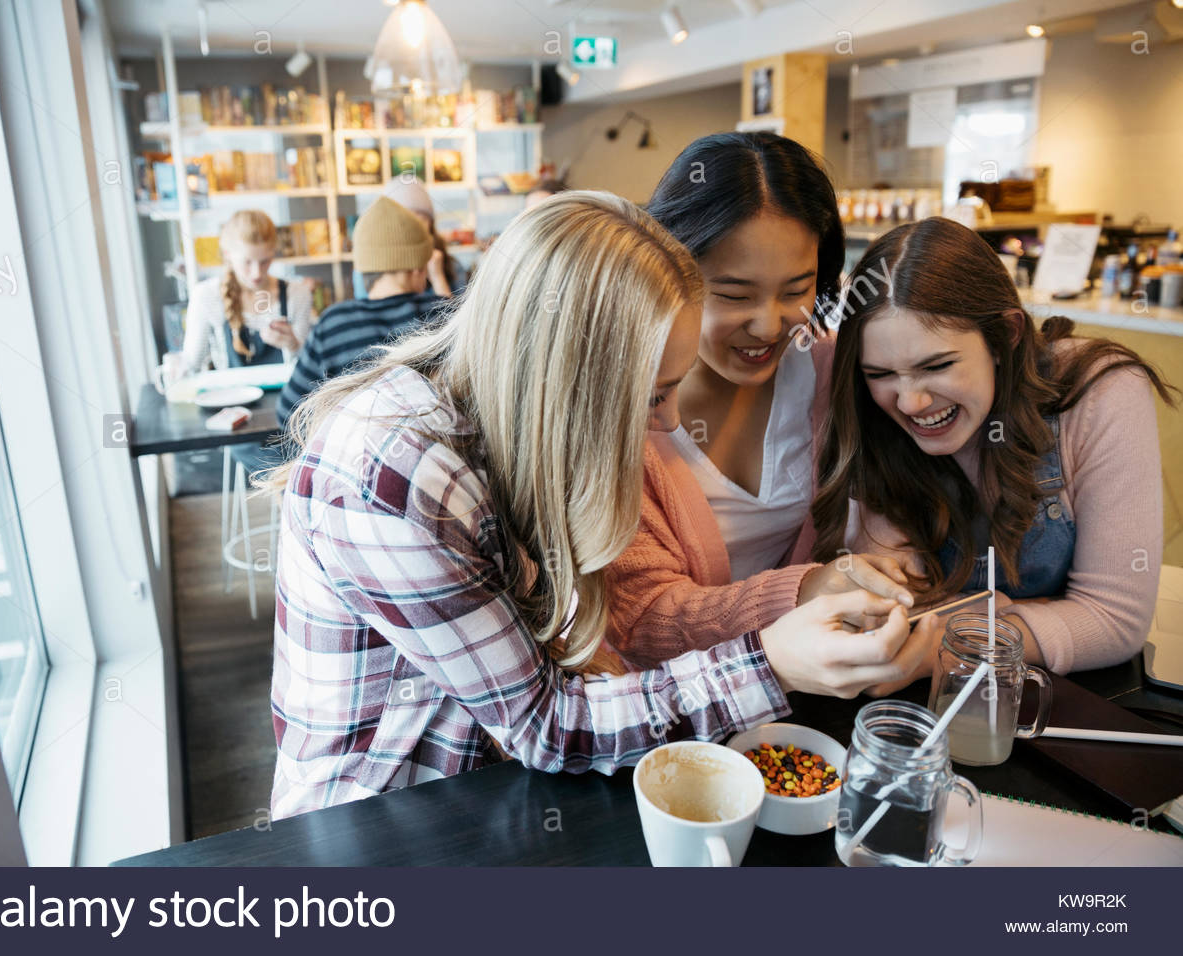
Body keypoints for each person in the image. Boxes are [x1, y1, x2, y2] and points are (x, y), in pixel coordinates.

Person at [265, 192, 935, 815]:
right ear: (564, 382)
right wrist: (771, 661)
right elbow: (546, 724)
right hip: (383, 819)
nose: (671, 423)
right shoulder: (395, 479)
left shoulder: (515, 424)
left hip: (498, 783)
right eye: (651, 397)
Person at [812, 216, 1176, 679]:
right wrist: (1040, 613)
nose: (910, 402)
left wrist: (950, 637)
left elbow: (1113, 620)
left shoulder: (1101, 392)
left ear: (1007, 336)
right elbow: (897, 610)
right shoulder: (867, 413)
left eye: (937, 365)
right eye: (881, 374)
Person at [605, 132, 914, 670]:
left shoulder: (831, 371)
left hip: (801, 696)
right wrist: (804, 591)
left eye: (797, 289)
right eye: (733, 294)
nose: (770, 324)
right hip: (650, 712)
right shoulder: (617, 403)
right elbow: (640, 619)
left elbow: (888, 514)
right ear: (663, 270)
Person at [276, 197, 441, 432]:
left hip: (355, 461)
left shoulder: (333, 324)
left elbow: (288, 414)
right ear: (417, 267)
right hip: (440, 460)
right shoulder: (444, 315)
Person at [178, 210, 312, 375]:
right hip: (229, 398)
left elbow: (309, 367)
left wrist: (293, 345)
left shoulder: (297, 294)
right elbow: (192, 364)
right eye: (247, 262)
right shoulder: (205, 296)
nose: (256, 273)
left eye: (265, 261)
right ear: (228, 255)